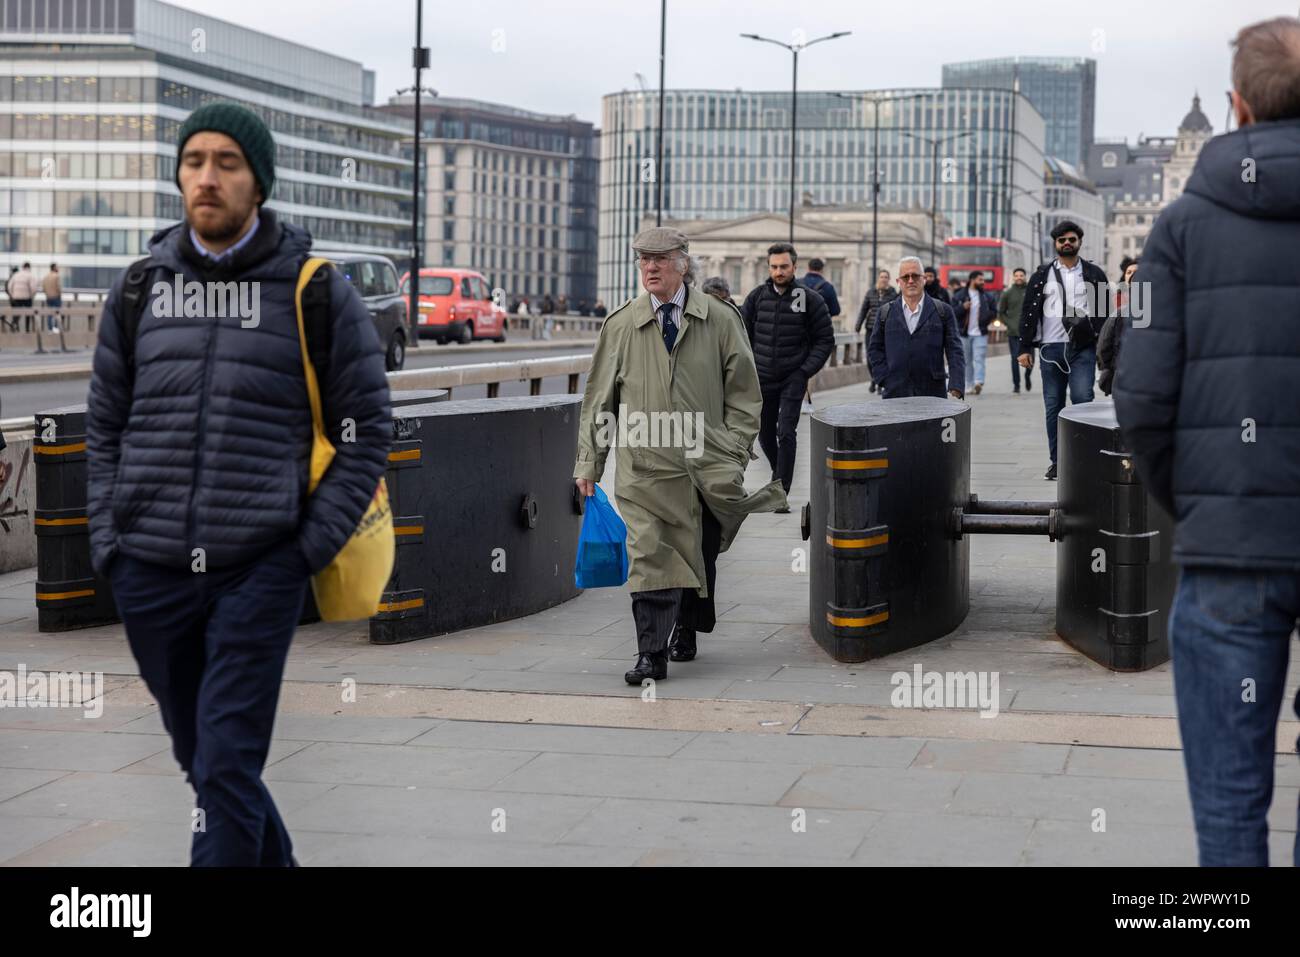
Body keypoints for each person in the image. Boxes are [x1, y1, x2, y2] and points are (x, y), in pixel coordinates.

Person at [85, 102, 391, 866]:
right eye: (194, 162)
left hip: (258, 567)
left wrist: (302, 551)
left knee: (225, 761)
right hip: (150, 569)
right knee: (211, 765)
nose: (208, 178)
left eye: (227, 162)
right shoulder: (138, 291)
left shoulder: (316, 293)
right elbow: (103, 430)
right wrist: (110, 545)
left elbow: (366, 432)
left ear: (259, 181)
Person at [1115, 16, 1300, 867]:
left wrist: (1196, 502)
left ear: (1235, 106)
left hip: (1230, 555)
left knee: (1229, 816)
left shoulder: (1181, 227)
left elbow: (1142, 399)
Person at [574, 228, 785, 684]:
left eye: (660, 259)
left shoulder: (721, 320)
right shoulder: (621, 326)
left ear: (683, 264)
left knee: (698, 553)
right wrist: (589, 463)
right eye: (644, 260)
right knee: (650, 554)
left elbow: (746, 394)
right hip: (643, 469)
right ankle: (650, 653)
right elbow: (599, 402)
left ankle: (685, 626)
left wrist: (733, 451)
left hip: (705, 467)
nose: (650, 267)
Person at [740, 242, 835, 508]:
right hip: (762, 376)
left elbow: (825, 339)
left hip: (794, 375)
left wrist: (805, 370)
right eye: (774, 267)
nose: (778, 271)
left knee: (786, 432)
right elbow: (740, 335)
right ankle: (777, 475)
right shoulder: (757, 297)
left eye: (783, 266)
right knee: (765, 434)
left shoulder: (810, 299)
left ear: (794, 266)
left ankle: (779, 492)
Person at [1016, 220, 1111, 479]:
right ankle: (1057, 461)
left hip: (1083, 348)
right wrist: (1025, 348)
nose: (1067, 243)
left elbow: (1104, 315)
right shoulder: (1040, 276)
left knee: (1083, 401)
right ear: (1055, 244)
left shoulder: (1094, 273)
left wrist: (1105, 353)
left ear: (1079, 241)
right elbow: (1028, 313)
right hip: (1051, 349)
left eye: (1071, 239)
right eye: (1062, 240)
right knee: (1053, 406)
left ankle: (1085, 459)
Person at [868, 256, 964, 399]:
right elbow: (875, 349)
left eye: (915, 276)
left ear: (924, 279)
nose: (911, 281)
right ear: (898, 282)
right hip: (895, 391)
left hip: (932, 392)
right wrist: (883, 378)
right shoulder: (885, 312)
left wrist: (956, 383)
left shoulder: (943, 311)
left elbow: (954, 349)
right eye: (906, 277)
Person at [1097, 257, 1138, 396]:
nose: (1132, 275)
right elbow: (1106, 337)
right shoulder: (1116, 302)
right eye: (1129, 272)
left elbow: (1104, 345)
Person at [952, 271, 996, 395]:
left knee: (979, 357)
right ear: (972, 280)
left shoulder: (988, 297)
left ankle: (978, 381)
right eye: (980, 280)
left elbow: (994, 311)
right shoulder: (959, 296)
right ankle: (969, 385)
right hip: (963, 333)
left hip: (980, 333)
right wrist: (963, 307)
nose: (983, 282)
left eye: (983, 280)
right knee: (966, 360)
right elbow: (952, 312)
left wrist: (986, 317)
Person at [855, 269, 899, 393]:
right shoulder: (870, 292)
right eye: (882, 277)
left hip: (886, 330)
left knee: (884, 357)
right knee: (870, 357)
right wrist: (858, 325)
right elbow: (864, 309)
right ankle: (874, 379)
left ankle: (880, 383)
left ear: (889, 280)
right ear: (878, 278)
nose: (883, 279)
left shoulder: (893, 293)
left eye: (886, 277)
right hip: (870, 328)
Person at [998, 267, 1031, 393]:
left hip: (1029, 332)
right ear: (1013, 277)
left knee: (1030, 357)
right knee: (1014, 358)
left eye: (1021, 275)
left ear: (1025, 277)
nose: (1019, 277)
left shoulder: (1030, 291)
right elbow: (1001, 313)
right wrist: (1009, 324)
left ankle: (1027, 376)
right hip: (1013, 332)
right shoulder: (1007, 293)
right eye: (1016, 275)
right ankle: (1016, 384)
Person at [8, 262, 36, 331]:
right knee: (28, 314)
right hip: (27, 298)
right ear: (29, 267)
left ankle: (14, 326)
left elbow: (9, 286)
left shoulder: (16, 275)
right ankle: (27, 329)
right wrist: (31, 296)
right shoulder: (30, 275)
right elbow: (33, 288)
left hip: (16, 297)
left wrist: (12, 295)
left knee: (16, 314)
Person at [41, 263, 62, 333]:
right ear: (54, 268)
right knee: (57, 313)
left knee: (49, 313)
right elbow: (58, 287)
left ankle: (50, 329)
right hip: (56, 297)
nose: (58, 268)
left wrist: (47, 293)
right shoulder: (56, 276)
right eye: (57, 267)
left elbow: (43, 288)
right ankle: (55, 327)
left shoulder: (46, 277)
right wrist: (59, 294)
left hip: (48, 297)